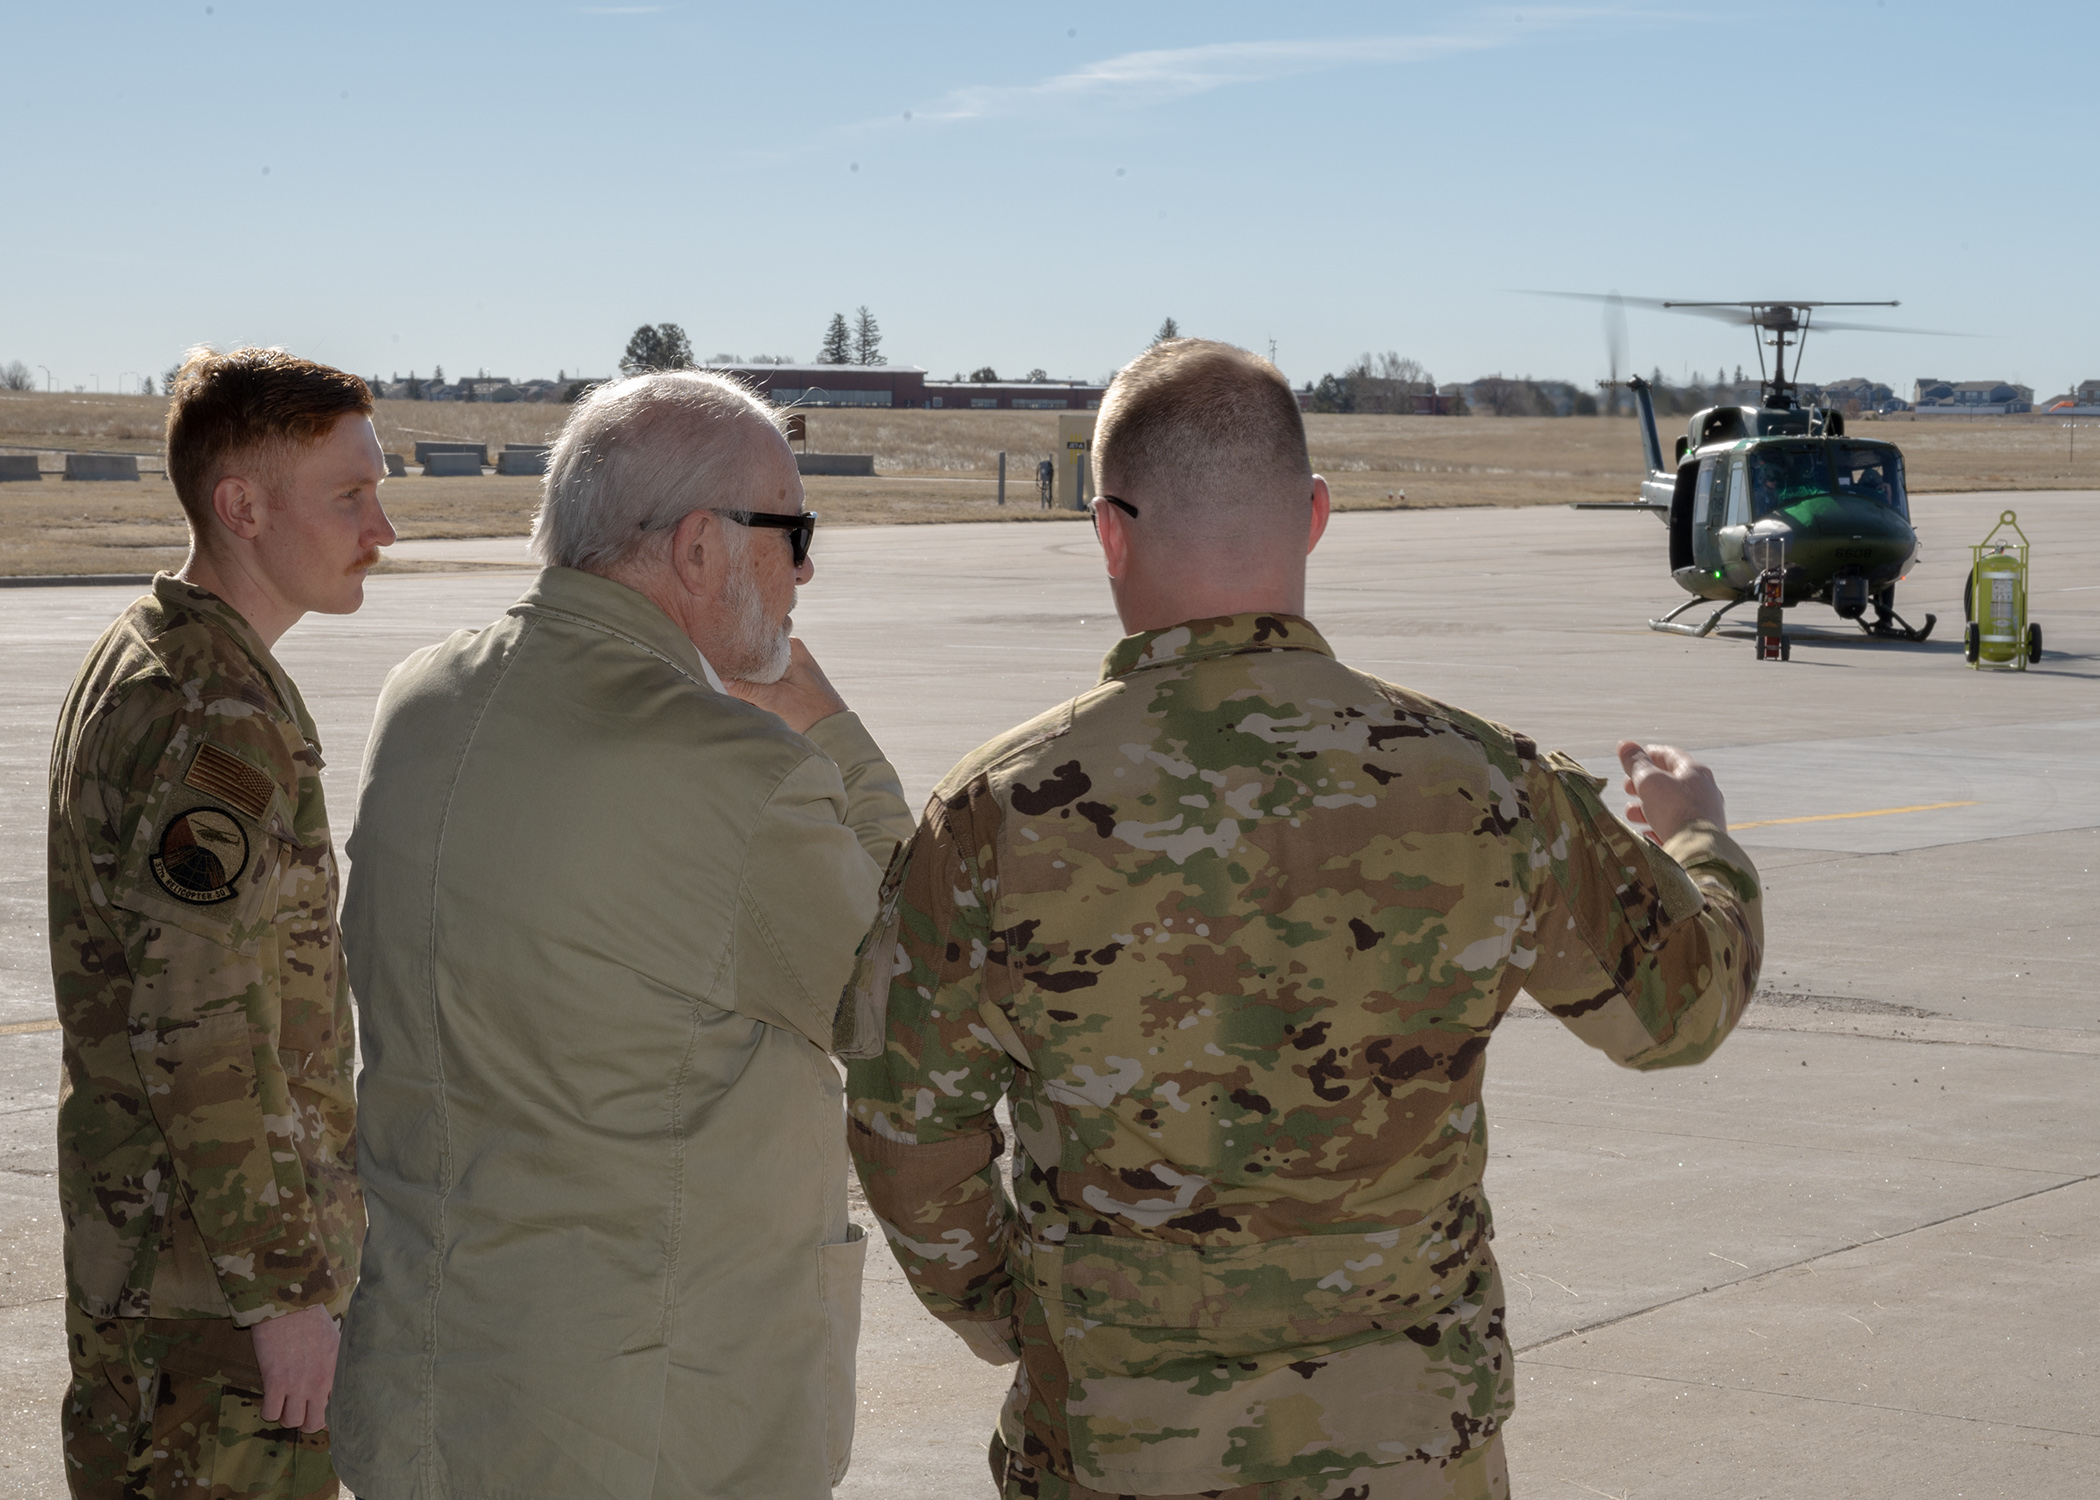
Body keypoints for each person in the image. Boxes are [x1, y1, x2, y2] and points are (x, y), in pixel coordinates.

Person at [842, 339, 1764, 1500]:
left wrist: (1026, 1317)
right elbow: (1681, 1008)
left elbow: (904, 1124)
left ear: (1107, 528)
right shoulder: (1485, 783)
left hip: (1120, 1444)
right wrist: (1699, 839)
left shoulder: (999, 811)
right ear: (1316, 515)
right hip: (1410, 1443)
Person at [331, 371, 914, 1499]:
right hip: (648, 1423)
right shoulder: (737, 772)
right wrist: (825, 727)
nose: (804, 571)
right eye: (792, 533)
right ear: (698, 551)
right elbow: (915, 992)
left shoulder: (425, 695)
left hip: (435, 1399)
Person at [48, 347, 392, 1499]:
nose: (380, 528)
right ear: (241, 507)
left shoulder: (150, 656)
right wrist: (282, 1288)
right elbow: (191, 1022)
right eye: (350, 495)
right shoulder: (219, 717)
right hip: (210, 1305)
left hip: (157, 1270)